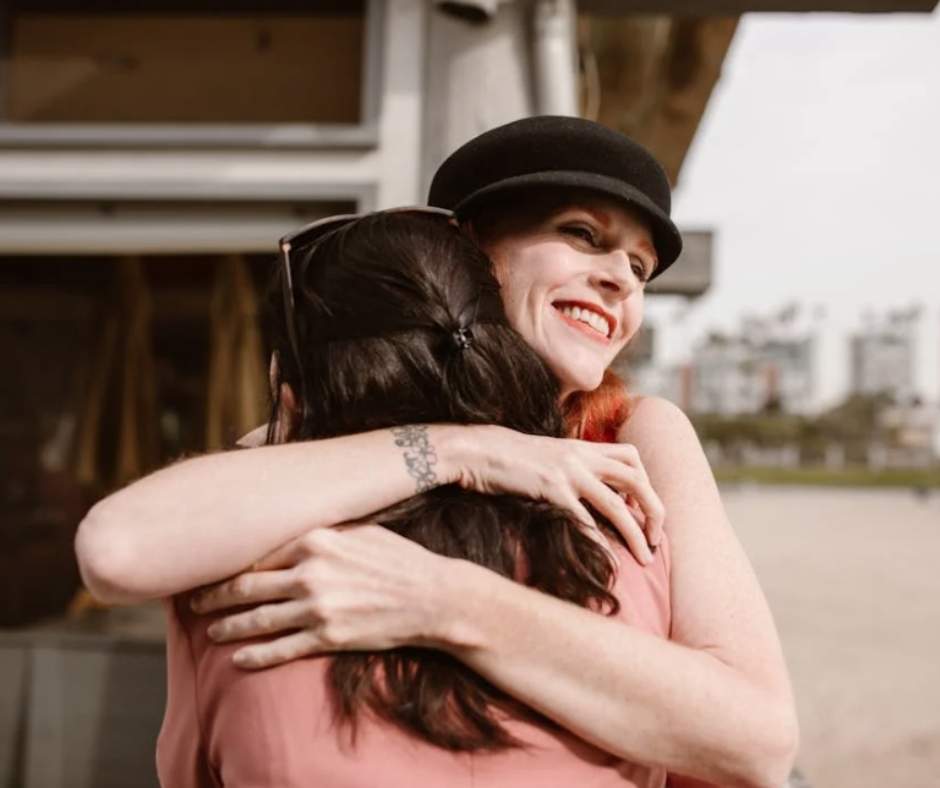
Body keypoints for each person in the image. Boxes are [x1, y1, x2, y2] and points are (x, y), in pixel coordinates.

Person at [75, 116, 798, 787]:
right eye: (582, 234)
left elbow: (760, 737)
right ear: (467, 253)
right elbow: (125, 545)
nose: (620, 281)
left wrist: (442, 599)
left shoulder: (634, 434)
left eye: (640, 268)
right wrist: (461, 448)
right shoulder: (337, 430)